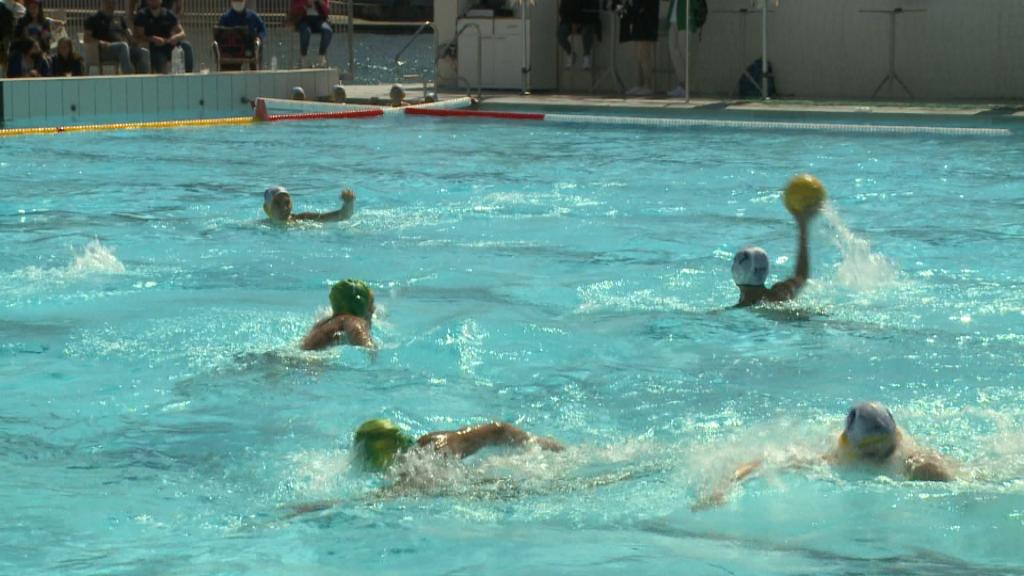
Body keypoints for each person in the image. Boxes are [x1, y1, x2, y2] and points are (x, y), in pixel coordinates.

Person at [696, 402, 954, 509]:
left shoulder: (918, 463)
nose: (875, 458)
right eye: (868, 453)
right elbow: (764, 462)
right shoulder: (828, 459)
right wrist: (724, 486)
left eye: (882, 452)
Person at [353, 418, 564, 472]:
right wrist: (540, 444)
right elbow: (497, 429)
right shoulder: (434, 439)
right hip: (512, 461)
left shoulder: (410, 471)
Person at [731, 197, 817, 308]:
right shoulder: (780, 292)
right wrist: (803, 224)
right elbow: (802, 276)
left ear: (737, 272)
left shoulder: (741, 307)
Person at [301, 279, 374, 350]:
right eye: (371, 305)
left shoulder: (322, 323)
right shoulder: (354, 320)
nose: (374, 309)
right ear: (361, 306)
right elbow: (364, 343)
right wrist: (373, 351)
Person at [84, 0, 150, 74]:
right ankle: (128, 75)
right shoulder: (93, 18)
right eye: (108, 2)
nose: (110, 4)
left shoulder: (119, 18)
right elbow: (86, 38)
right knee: (123, 46)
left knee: (143, 52)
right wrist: (99, 42)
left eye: (113, 2)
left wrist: (134, 40)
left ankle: (143, 78)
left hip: (122, 49)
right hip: (103, 51)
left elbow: (128, 33)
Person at [133, 0, 190, 73]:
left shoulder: (168, 14)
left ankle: (188, 75)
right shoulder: (142, 15)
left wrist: (176, 37)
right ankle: (163, 80)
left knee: (186, 46)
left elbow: (182, 33)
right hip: (154, 48)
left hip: (169, 45)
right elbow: (138, 36)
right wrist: (152, 39)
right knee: (159, 58)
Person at [665, 0, 706, 98]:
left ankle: (685, 86)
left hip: (685, 19)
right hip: (673, 20)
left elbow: (698, 4)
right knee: (673, 50)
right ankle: (683, 83)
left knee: (684, 52)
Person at [619, 0, 658, 96]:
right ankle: (639, 84)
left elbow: (641, 6)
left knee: (644, 56)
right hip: (639, 24)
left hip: (646, 25)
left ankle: (648, 85)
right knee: (639, 56)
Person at [262, 186, 355, 224]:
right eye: (277, 204)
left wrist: (349, 203)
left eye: (287, 203)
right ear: (267, 209)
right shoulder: (260, 226)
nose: (284, 208)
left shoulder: (304, 219)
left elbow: (343, 216)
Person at [216, 0, 265, 69]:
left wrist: (259, 37)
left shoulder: (252, 16)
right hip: (232, 49)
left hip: (249, 47)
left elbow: (262, 29)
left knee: (256, 52)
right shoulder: (226, 18)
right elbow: (218, 33)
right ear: (232, 2)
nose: (238, 3)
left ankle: (255, 74)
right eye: (236, 1)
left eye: (240, 1)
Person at [557, 0, 600, 71]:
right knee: (560, 34)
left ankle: (586, 56)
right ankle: (570, 53)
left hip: (587, 21)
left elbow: (593, 11)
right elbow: (562, 11)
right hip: (570, 22)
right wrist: (572, 22)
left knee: (587, 31)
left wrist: (578, 22)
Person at [289, 0, 330, 68]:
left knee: (327, 31)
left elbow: (327, 10)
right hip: (303, 19)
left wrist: (321, 2)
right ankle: (303, 58)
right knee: (306, 32)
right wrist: (305, 4)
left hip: (319, 20)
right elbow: (294, 9)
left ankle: (321, 58)